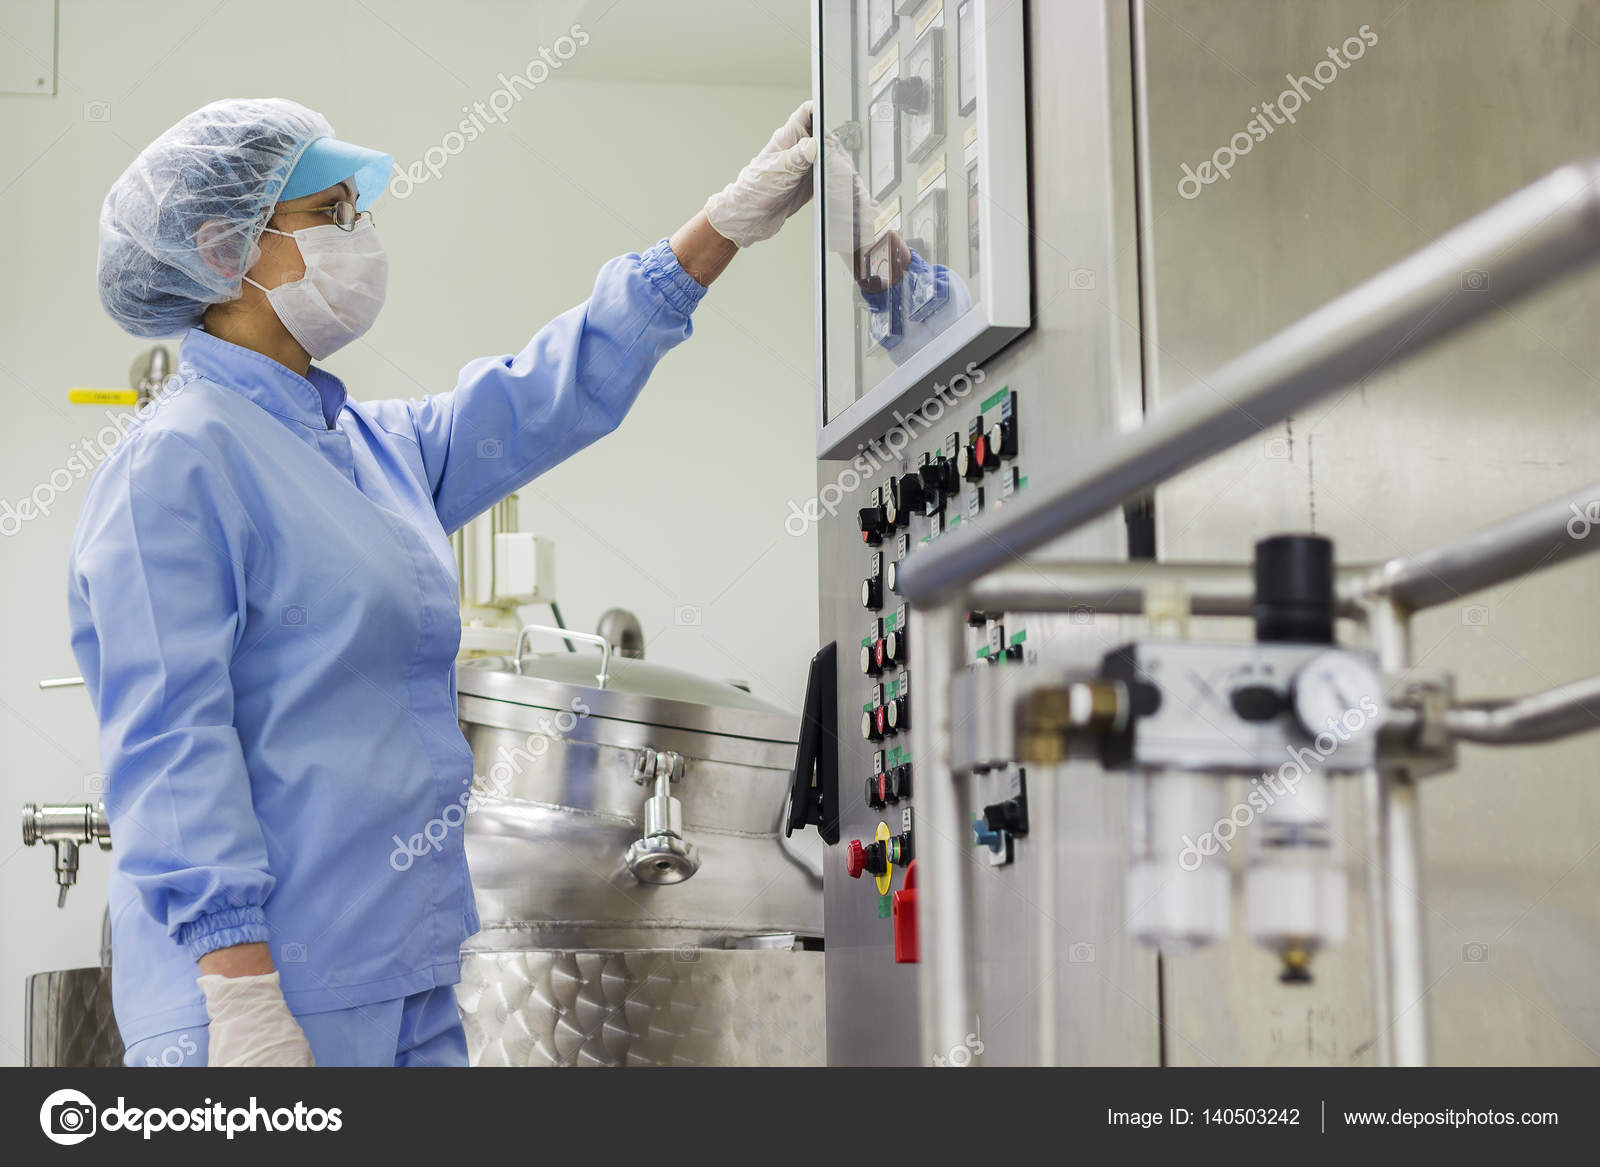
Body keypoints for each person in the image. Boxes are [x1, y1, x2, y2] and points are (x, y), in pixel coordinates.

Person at [71, 96, 815, 1067]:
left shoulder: (363, 450)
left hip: (407, 975)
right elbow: (171, 740)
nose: (357, 239)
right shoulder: (176, 460)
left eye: (357, 215)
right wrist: (237, 984)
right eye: (331, 214)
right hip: (261, 998)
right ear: (227, 251)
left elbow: (548, 390)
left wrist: (718, 230)